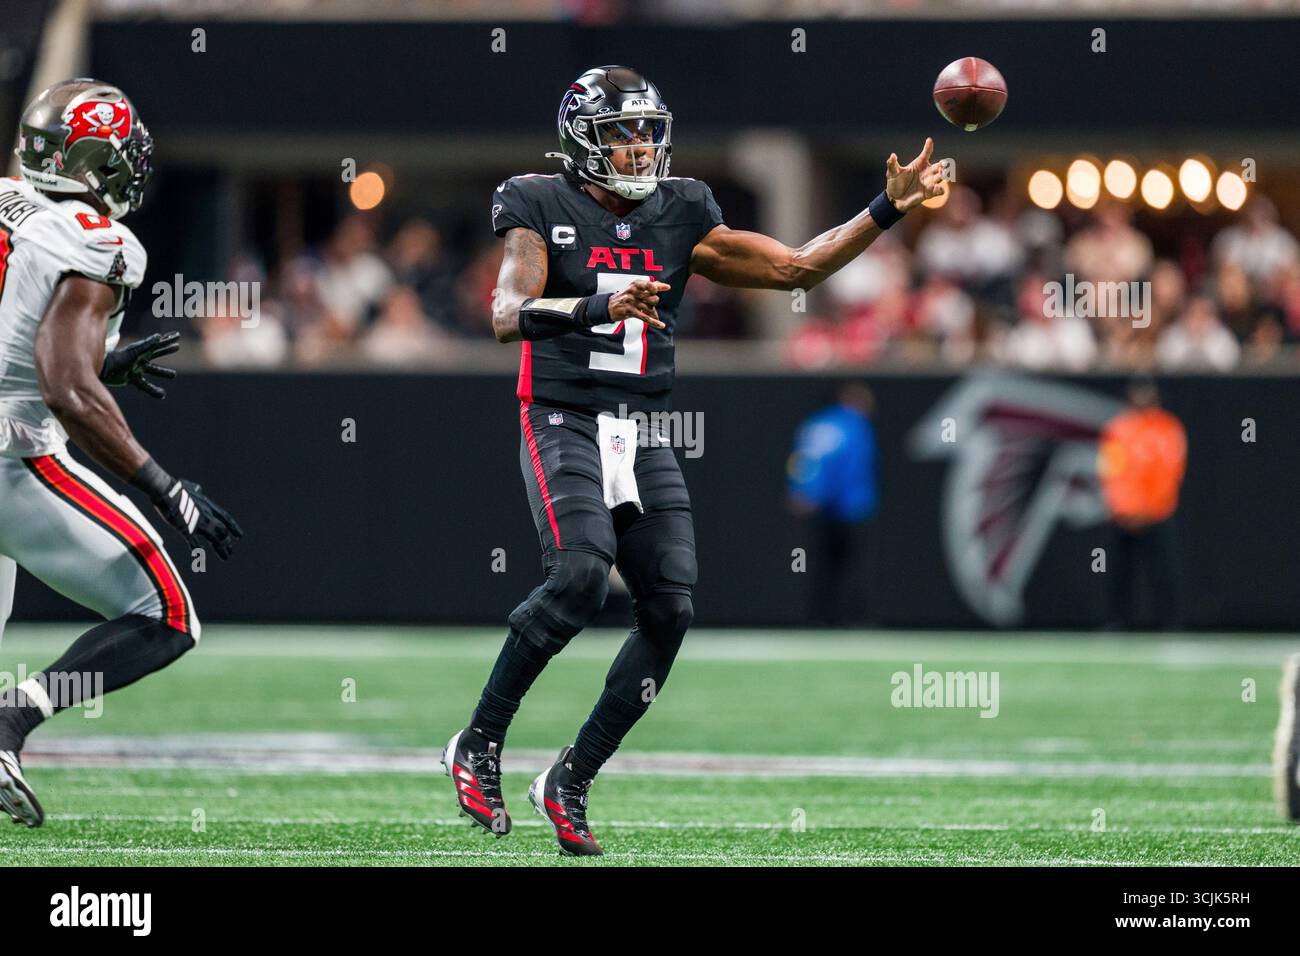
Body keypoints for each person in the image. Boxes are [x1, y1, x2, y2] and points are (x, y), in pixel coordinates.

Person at [440, 65, 945, 856]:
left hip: (641, 427)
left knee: (670, 608)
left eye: (647, 131)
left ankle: (570, 777)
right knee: (577, 575)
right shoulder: (537, 202)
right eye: (622, 133)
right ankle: (480, 741)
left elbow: (794, 267)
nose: (640, 147)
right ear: (581, 140)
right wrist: (595, 304)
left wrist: (885, 211)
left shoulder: (684, 212)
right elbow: (507, 313)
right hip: (562, 417)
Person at [0, 79, 243, 827]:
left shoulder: (8, 202)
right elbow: (66, 389)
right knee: (167, 613)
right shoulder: (94, 238)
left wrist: (101, 359)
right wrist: (166, 487)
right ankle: (10, 723)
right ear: (93, 160)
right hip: (13, 453)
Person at [787, 382, 880, 626]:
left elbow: (805, 462)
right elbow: (845, 468)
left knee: (825, 564)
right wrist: (817, 493)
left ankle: (822, 617)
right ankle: (851, 618)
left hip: (825, 506)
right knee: (849, 565)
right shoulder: (854, 426)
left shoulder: (817, 424)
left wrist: (804, 492)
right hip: (848, 507)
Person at [1097, 377, 1186, 629]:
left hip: (1157, 514)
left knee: (1164, 570)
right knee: (1118, 571)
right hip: (1124, 515)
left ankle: (1170, 622)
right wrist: (1122, 508)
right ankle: (1117, 621)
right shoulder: (1118, 429)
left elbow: (1169, 473)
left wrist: (1149, 509)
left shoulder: (1168, 428)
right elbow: (1111, 472)